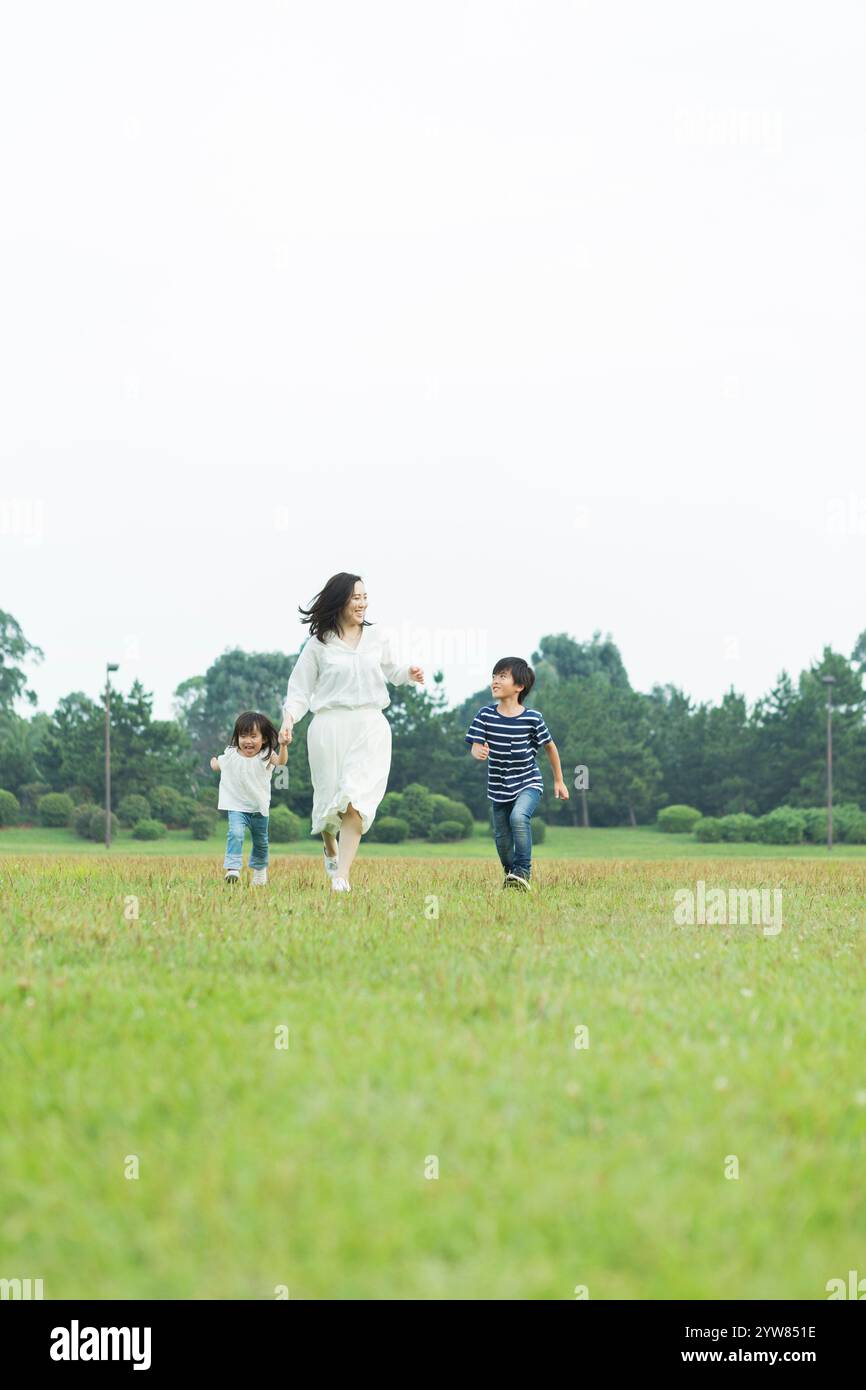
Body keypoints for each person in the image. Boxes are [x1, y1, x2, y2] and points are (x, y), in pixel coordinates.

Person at [280, 572, 423, 892]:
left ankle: (341, 875)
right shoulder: (319, 645)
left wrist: (409, 673)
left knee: (355, 798)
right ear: (340, 601)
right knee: (329, 800)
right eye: (356, 597)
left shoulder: (377, 637)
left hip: (370, 725)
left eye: (365, 597)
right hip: (328, 728)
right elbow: (299, 690)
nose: (362, 603)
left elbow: (392, 672)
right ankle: (329, 846)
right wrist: (289, 720)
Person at [465, 657, 569, 890]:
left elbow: (550, 747)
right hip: (498, 787)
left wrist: (559, 781)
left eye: (502, 676)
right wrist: (477, 750)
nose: (495, 681)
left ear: (519, 686)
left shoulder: (533, 718)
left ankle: (523, 870)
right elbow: (475, 743)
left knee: (518, 818)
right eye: (494, 676)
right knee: (502, 839)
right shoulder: (485, 715)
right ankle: (512, 875)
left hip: (528, 782)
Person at [210, 711, 289, 885]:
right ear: (237, 737)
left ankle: (260, 872)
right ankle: (233, 869)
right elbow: (218, 765)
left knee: (261, 843)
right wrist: (213, 762)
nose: (248, 741)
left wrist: (283, 746)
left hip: (259, 808)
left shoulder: (266, 755)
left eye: (253, 736)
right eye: (243, 736)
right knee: (235, 833)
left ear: (264, 739)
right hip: (237, 806)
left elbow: (282, 763)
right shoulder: (231, 754)